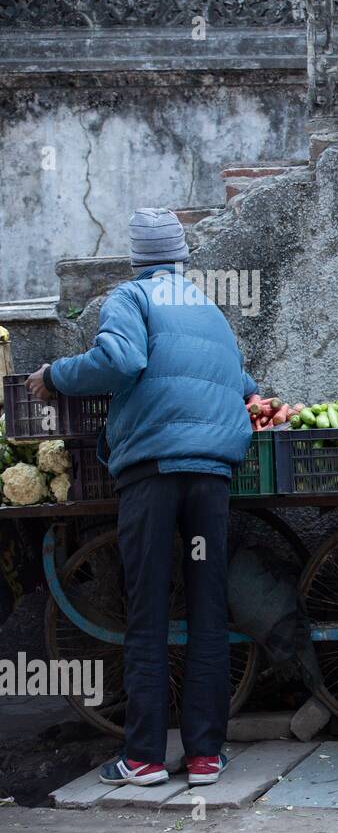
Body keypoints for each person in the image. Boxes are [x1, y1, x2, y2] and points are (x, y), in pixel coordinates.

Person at [26, 208, 256, 788]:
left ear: (137, 258)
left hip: (153, 474)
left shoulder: (129, 298)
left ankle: (145, 758)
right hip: (210, 477)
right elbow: (246, 388)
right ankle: (205, 756)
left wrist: (55, 375)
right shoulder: (208, 308)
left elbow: (120, 361)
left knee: (148, 611)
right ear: (180, 255)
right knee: (208, 610)